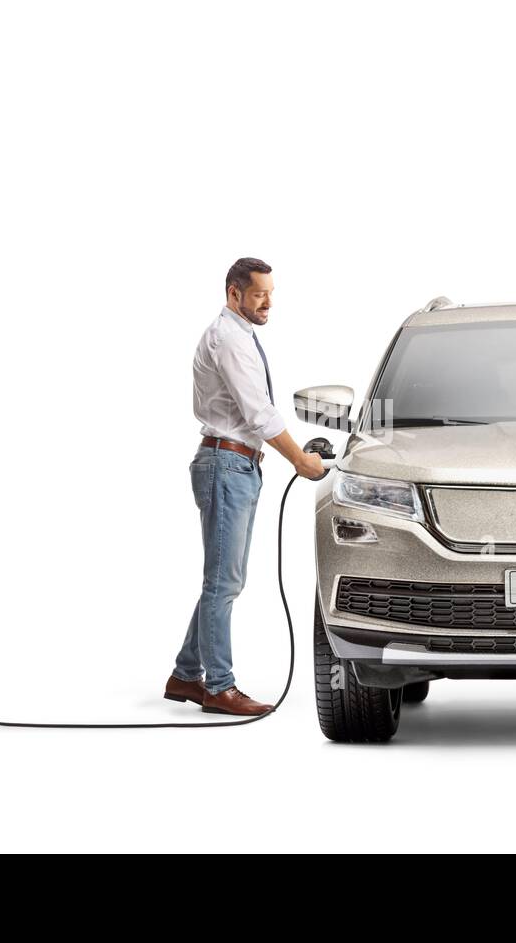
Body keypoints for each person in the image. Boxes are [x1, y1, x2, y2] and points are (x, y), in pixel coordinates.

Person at [165, 257, 326, 715]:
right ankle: (218, 686)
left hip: (238, 465)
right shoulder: (229, 339)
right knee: (223, 583)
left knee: (224, 579)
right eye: (258, 294)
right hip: (226, 464)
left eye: (271, 293)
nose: (268, 302)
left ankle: (184, 675)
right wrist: (300, 460)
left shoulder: (239, 335)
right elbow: (259, 413)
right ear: (234, 293)